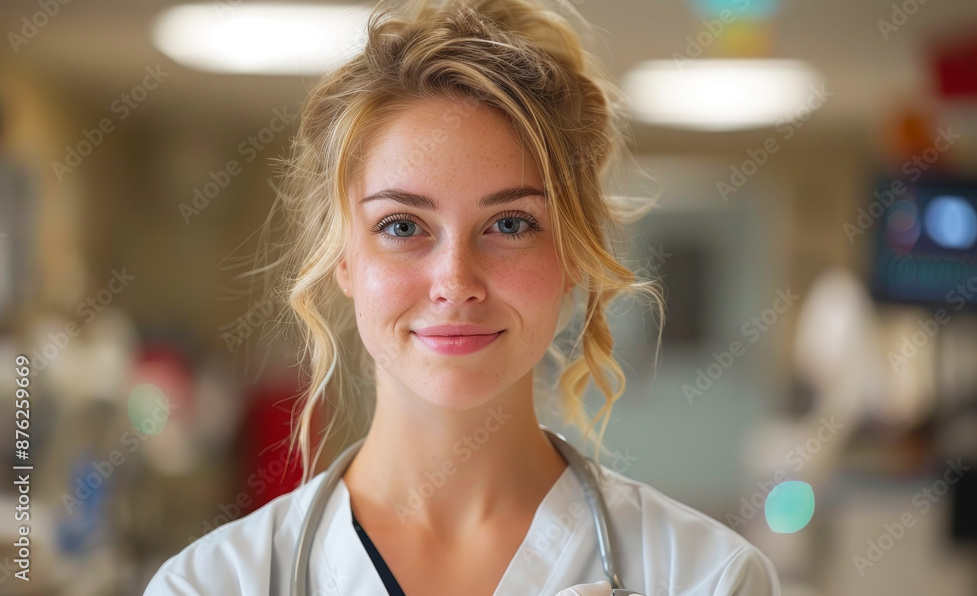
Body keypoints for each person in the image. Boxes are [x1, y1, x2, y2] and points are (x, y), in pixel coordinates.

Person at [144, 0, 781, 594]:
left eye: (510, 224)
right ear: (343, 258)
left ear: (573, 257)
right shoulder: (210, 584)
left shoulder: (705, 578)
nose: (455, 282)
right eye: (401, 226)